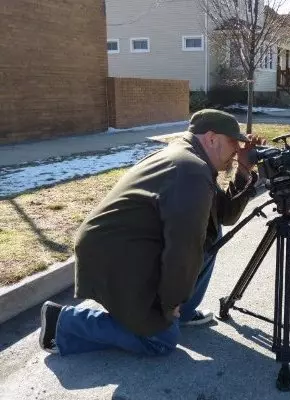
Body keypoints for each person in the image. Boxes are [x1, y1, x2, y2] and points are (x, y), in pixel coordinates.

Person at [38, 109, 265, 357]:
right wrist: (170, 304)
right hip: (114, 255)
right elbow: (183, 249)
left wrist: (243, 170)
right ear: (212, 139)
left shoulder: (192, 160)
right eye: (234, 141)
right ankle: (62, 323)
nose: (237, 148)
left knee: (212, 231)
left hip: (131, 245)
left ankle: (182, 313)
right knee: (161, 340)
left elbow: (225, 216)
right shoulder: (190, 170)